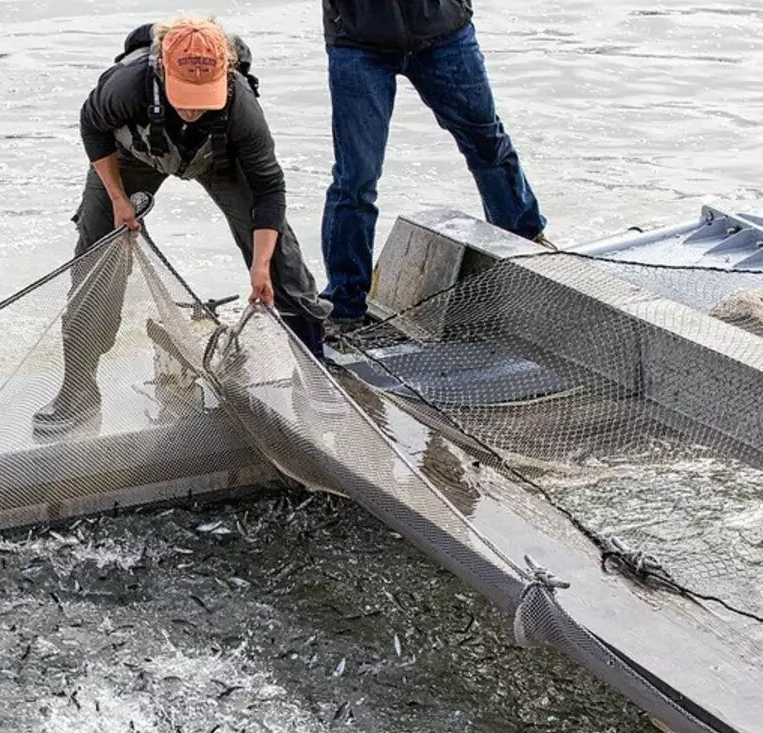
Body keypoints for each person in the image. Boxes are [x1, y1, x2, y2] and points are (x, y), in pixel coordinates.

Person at [33, 16, 333, 434]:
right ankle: (78, 390)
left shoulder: (240, 103)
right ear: (161, 71)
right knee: (96, 262)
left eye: (203, 96)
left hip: (218, 159)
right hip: (132, 154)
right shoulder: (127, 84)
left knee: (281, 259)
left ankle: (316, 375)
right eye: (183, 94)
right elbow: (92, 126)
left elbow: (270, 188)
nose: (192, 109)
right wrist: (119, 199)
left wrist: (260, 263)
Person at [319, 1, 552, 322]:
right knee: (355, 177)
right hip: (358, 41)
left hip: (443, 30)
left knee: (487, 144)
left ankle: (527, 249)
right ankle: (344, 304)